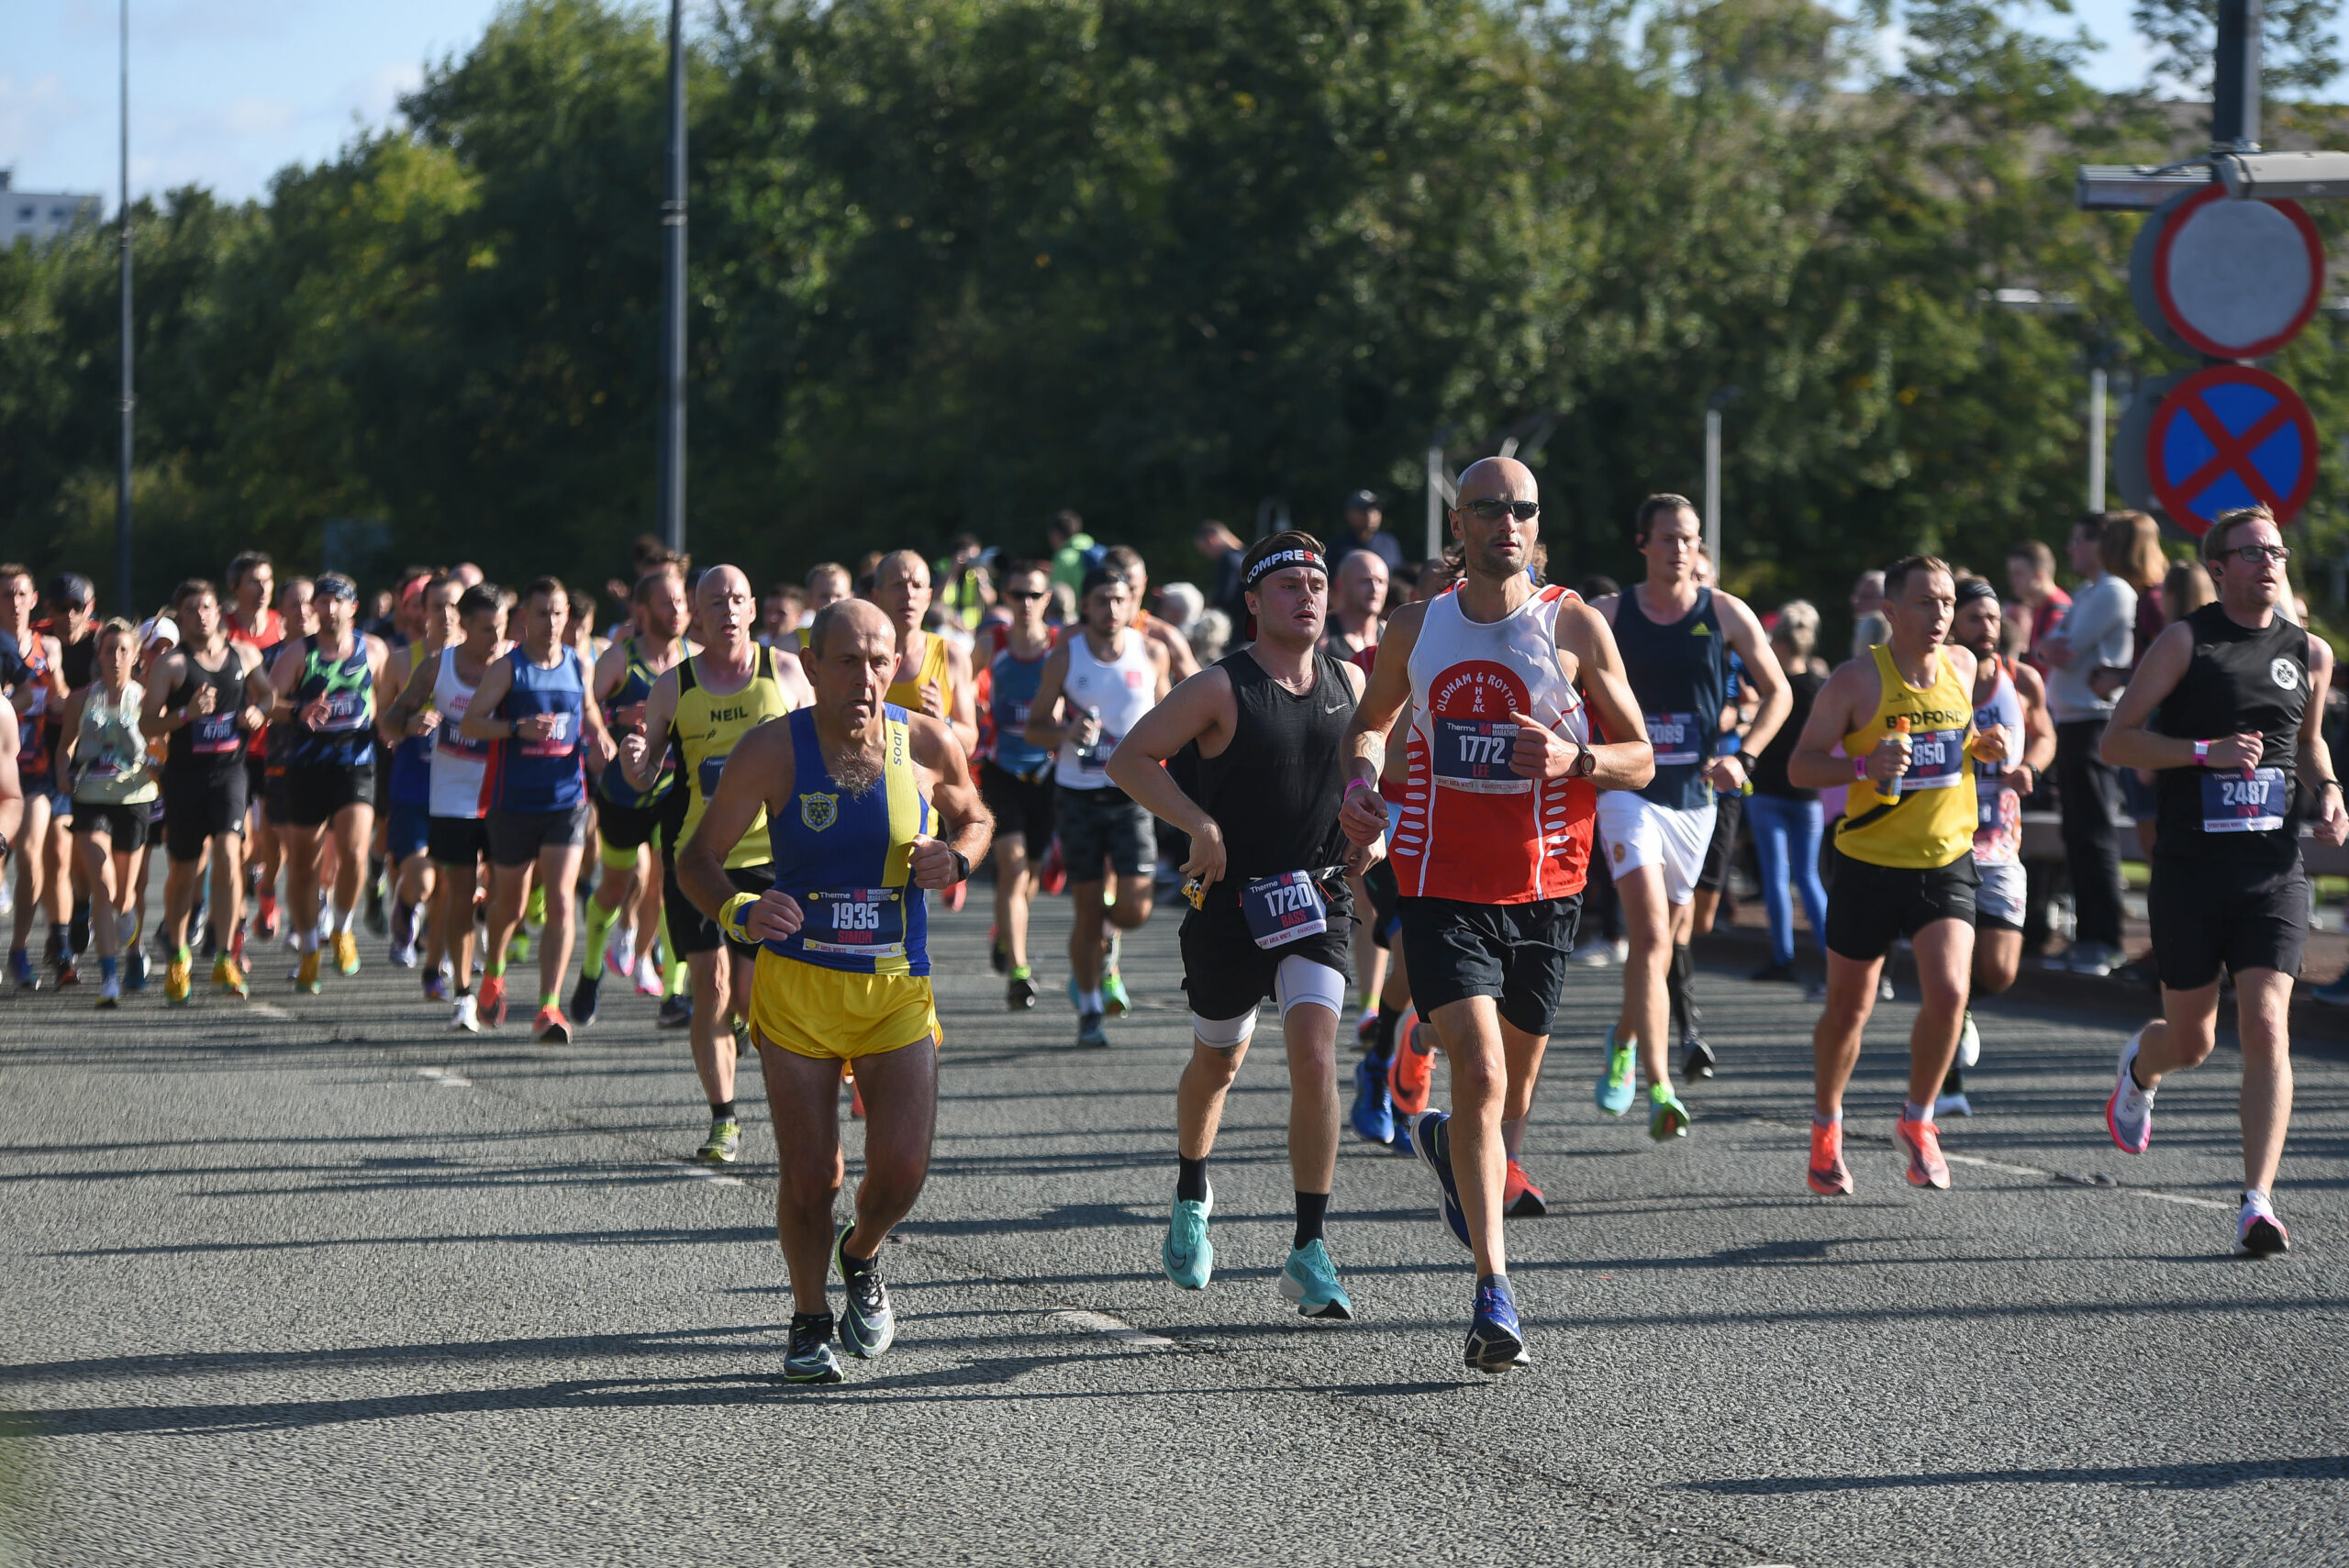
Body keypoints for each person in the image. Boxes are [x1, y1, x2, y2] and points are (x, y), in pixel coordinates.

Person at [1339, 457, 1653, 1372]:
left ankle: (1445, 1146)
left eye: (1521, 509)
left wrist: (1574, 758)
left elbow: (1638, 756)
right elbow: (1368, 723)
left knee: (1508, 1097)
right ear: (1458, 523)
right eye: (1489, 508)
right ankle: (1492, 1288)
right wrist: (1362, 783)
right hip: (1440, 883)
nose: (1506, 522)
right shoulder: (1416, 625)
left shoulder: (1572, 624)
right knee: (1475, 1070)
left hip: (1546, 888)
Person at [680, 596, 990, 1384]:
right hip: (799, 992)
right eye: (846, 660)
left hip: (895, 986)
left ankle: (863, 1251)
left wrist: (957, 858)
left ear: (898, 664)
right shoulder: (771, 749)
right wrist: (742, 908)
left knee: (902, 1171)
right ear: (810, 666)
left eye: (879, 659)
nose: (865, 676)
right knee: (811, 1174)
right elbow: (696, 857)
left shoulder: (924, 740)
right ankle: (809, 1316)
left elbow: (976, 816)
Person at [1108, 531, 1367, 1320]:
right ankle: (1192, 1185)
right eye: (1288, 584)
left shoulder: (1351, 678)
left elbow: (1379, 767)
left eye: (1316, 583)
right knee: (1216, 1064)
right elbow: (1130, 758)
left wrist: (1374, 825)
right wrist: (1198, 824)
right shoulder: (1221, 687)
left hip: (1317, 898)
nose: (1308, 596)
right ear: (1252, 602)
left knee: (1316, 1055)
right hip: (1230, 902)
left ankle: (1309, 1247)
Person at [2098, 506, 2343, 1255]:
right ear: (2217, 567)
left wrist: (2329, 788)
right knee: (2195, 1038)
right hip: (2190, 869)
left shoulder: (2308, 650)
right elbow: (2117, 742)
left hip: (2271, 869)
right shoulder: (2184, 641)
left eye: (2277, 551)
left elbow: (2308, 743)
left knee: (2268, 1022)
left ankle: (2257, 1201)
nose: (2269, 562)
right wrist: (2204, 750)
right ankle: (2142, 1067)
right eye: (2251, 552)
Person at [1787, 556, 2008, 1195]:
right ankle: (1827, 1123)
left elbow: (1964, 742)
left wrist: (1983, 748)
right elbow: (1801, 767)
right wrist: (1864, 767)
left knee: (1948, 993)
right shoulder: (1856, 681)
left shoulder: (1964, 668)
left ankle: (1919, 1120)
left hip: (1945, 859)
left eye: (1947, 603)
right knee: (1848, 1009)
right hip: (1867, 862)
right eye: (1926, 603)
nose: (1940, 616)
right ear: (1891, 612)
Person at [1591, 495, 1787, 1104]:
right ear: (1642, 543)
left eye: (1692, 539)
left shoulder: (1724, 611)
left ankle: (1624, 1038)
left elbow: (1778, 692)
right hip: (1629, 791)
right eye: (1670, 538)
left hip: (1695, 799)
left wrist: (1744, 754)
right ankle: (1660, 1085)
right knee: (1650, 937)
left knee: (1674, 938)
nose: (1682, 549)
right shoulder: (1608, 613)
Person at [626, 565, 813, 1161]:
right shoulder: (672, 688)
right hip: (696, 856)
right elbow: (644, 774)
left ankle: (739, 1033)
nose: (728, 609)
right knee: (710, 983)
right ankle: (724, 1118)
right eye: (715, 601)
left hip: (771, 858)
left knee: (755, 998)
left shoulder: (784, 673)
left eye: (737, 599)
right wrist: (634, 758)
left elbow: (825, 749)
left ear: (753, 607)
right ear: (696, 615)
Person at [460, 576, 615, 1041]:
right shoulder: (508, 669)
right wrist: (516, 728)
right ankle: (493, 971)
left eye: (558, 613)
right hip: (514, 802)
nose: (551, 623)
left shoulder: (577, 663)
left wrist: (601, 736)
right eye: (542, 613)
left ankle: (549, 1007)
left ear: (569, 618)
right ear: (525, 617)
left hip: (566, 798)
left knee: (563, 899)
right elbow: (471, 722)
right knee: (512, 903)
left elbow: (587, 712)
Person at [1024, 563, 1173, 1046]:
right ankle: (1089, 1008)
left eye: (1119, 599)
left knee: (1136, 907)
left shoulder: (1151, 652)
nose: (1111, 609)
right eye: (1101, 600)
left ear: (1133, 604)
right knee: (1085, 909)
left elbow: (1172, 721)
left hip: (1134, 793)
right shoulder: (1065, 657)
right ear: (1085, 606)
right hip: (1077, 794)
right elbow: (1034, 728)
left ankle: (1110, 936)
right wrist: (1065, 731)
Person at [1938, 576, 2055, 1116]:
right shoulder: (1938, 677)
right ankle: (1949, 1083)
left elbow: (2046, 733)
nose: (1986, 628)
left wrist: (2030, 766)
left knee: (2002, 971)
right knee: (1955, 966)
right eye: (1974, 619)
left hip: (2002, 843)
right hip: (1949, 840)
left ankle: (1953, 1011)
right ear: (1952, 622)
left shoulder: (2021, 677)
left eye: (1992, 618)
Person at [383, 581, 507, 1029]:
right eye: (487, 631)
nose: (496, 640)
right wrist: (411, 722)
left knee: (504, 896)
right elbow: (390, 721)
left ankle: (493, 972)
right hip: (451, 797)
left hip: (504, 797)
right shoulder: (439, 667)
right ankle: (465, 996)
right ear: (465, 629)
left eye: (502, 628)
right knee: (458, 895)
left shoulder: (515, 665)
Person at [573, 564, 693, 1026]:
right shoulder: (620, 658)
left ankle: (675, 991)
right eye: (666, 602)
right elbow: (588, 704)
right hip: (624, 792)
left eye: (681, 601)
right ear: (642, 613)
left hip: (674, 788)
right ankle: (590, 972)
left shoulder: (693, 656)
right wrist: (604, 734)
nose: (677, 610)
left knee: (673, 883)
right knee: (617, 885)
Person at [143, 580, 265, 1003]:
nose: (201, 615)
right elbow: (147, 724)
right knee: (183, 870)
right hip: (185, 778)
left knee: (230, 854)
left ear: (218, 612)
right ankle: (178, 954)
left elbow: (267, 694)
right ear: (182, 616)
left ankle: (225, 956)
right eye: (192, 609)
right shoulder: (172, 666)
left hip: (230, 774)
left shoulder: (244, 655)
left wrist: (258, 712)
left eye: (208, 607)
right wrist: (185, 713)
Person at [264, 573, 386, 994]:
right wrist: (298, 709)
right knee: (303, 865)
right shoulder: (300, 652)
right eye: (322, 601)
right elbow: (267, 703)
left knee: (354, 853)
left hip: (356, 762)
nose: (329, 609)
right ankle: (309, 950)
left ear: (354, 607)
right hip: (307, 766)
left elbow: (385, 703)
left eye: (338, 601)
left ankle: (343, 928)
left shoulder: (374, 650)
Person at [2039, 513, 2138, 975]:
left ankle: (2105, 939)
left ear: (2099, 543)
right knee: (2077, 834)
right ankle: (2087, 938)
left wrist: (2051, 646)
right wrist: (2048, 647)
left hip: (2095, 723)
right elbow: (2047, 646)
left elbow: (2067, 645)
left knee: (2095, 833)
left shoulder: (2115, 590)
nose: (2071, 550)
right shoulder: (2086, 592)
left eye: (2077, 540)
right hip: (2073, 722)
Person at [58, 618, 158, 1007]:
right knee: (102, 883)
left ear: (135, 657)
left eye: (123, 650)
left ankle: (129, 921)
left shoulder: (147, 697)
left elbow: (160, 745)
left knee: (123, 896)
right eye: (108, 650)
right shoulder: (81, 699)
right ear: (97, 655)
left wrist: (155, 755)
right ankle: (108, 979)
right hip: (90, 797)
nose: (115, 658)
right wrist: (62, 772)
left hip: (134, 799)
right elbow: (65, 746)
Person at [977, 560, 1058, 1009]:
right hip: (1001, 769)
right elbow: (961, 687)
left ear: (1046, 599)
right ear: (1004, 599)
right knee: (1011, 866)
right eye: (1016, 595)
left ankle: (1005, 933)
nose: (1025, 603)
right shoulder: (993, 642)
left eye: (1034, 595)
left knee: (1030, 877)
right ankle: (1020, 973)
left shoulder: (1062, 646)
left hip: (1046, 771)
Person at [373, 574, 461, 972]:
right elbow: (383, 725)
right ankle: (406, 906)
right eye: (438, 606)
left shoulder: (485, 666)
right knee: (423, 881)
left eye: (455, 605)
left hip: (464, 788)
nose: (447, 614)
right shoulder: (400, 661)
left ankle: (443, 954)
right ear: (422, 612)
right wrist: (408, 725)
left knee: (454, 883)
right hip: (412, 785)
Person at [1744, 601, 1831, 995]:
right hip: (1808, 795)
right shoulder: (1821, 688)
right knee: (1810, 877)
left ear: (1778, 645)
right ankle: (1836, 958)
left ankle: (1784, 957)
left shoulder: (1774, 690)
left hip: (1768, 793)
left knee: (1777, 877)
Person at [3, 564, 67, 991]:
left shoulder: (50, 647)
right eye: (6, 594)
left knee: (32, 853)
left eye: (20, 593)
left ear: (33, 599)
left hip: (35, 768)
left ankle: (20, 950)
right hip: (1, 764)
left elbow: (59, 697)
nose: (13, 602)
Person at [869, 551, 980, 756]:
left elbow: (969, 743)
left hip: (929, 784)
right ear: (876, 596)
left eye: (917, 585)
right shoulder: (861, 657)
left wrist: (943, 723)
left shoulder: (951, 656)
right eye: (898, 585)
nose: (908, 594)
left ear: (928, 598)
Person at [1102, 546, 1201, 684]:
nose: (1124, 598)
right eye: (1114, 590)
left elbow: (1205, 694)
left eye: (1132, 589)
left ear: (1144, 583)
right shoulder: (1076, 637)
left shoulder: (1165, 638)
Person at [2003, 539, 2072, 669]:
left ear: (2039, 575)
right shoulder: (2040, 607)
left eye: (2018, 574)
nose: (2012, 581)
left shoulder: (2057, 614)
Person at [1328, 489, 1405, 573]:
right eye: (1363, 510)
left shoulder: (1389, 543)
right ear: (1349, 514)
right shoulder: (1337, 547)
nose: (1370, 515)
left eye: (1376, 510)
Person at [934, 533, 996, 630]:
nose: (973, 561)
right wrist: (952, 572)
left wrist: (983, 581)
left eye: (977, 557)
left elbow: (991, 601)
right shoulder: (941, 569)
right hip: (945, 627)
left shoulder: (977, 572)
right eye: (970, 557)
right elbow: (933, 598)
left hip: (971, 630)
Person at [1195, 521, 1249, 620]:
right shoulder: (1244, 556)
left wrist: (1205, 604)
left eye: (1204, 549)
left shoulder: (1228, 560)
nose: (1206, 555)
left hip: (1238, 625)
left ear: (1212, 540)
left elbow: (1223, 598)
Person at [1045, 510, 1099, 595]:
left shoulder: (1062, 558)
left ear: (1056, 534)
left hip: (1076, 608)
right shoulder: (1095, 549)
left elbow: (1056, 594)